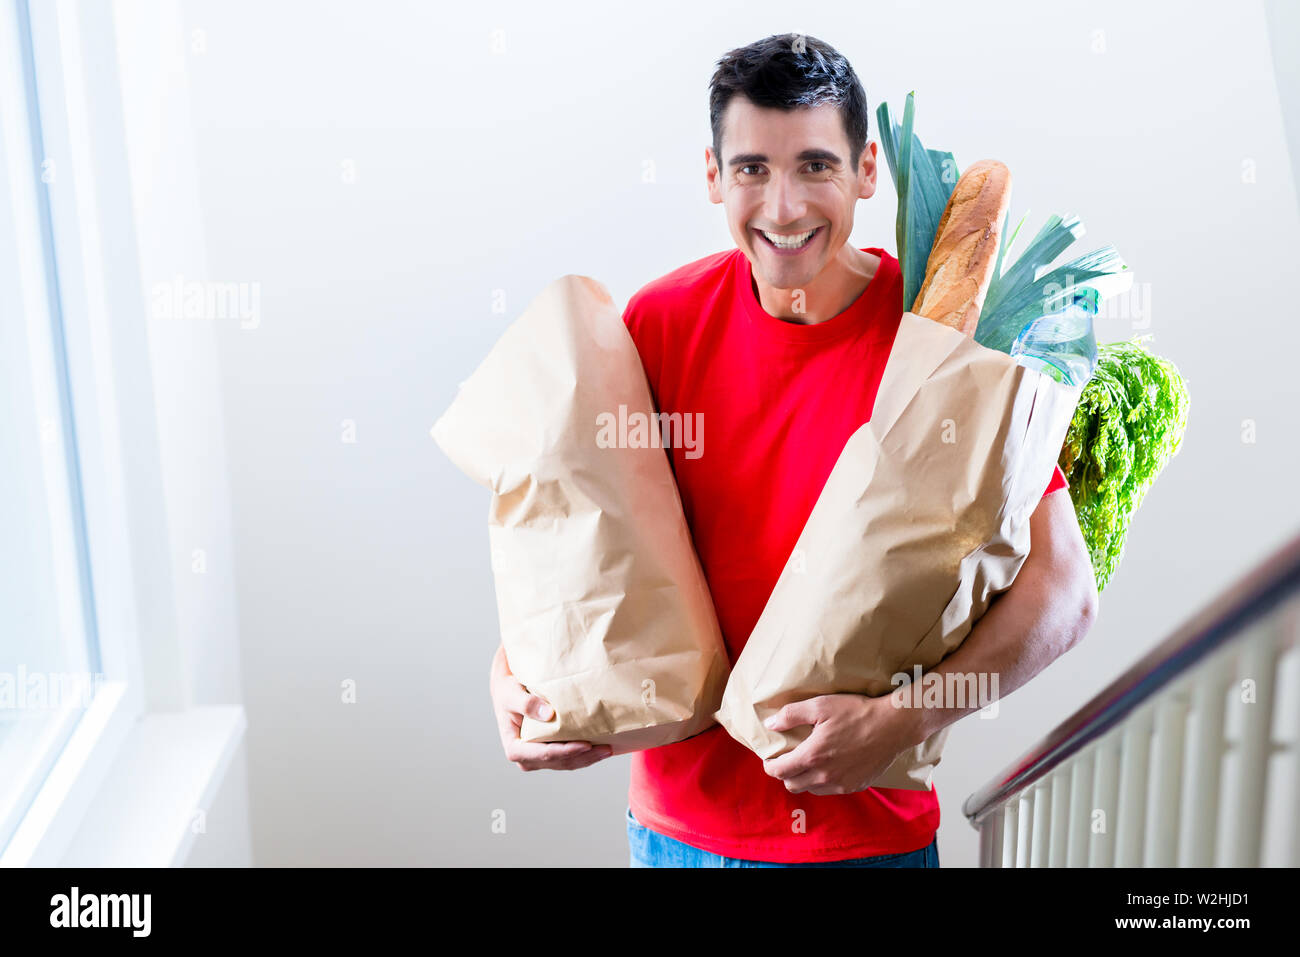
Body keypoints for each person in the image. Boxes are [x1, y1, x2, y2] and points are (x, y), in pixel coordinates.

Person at [488, 32, 1098, 868]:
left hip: (868, 837)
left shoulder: (941, 349)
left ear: (866, 171)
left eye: (815, 165)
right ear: (713, 175)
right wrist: (511, 677)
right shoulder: (657, 324)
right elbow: (580, 538)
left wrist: (906, 719)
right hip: (674, 836)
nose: (782, 207)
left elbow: (1065, 591)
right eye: (752, 169)